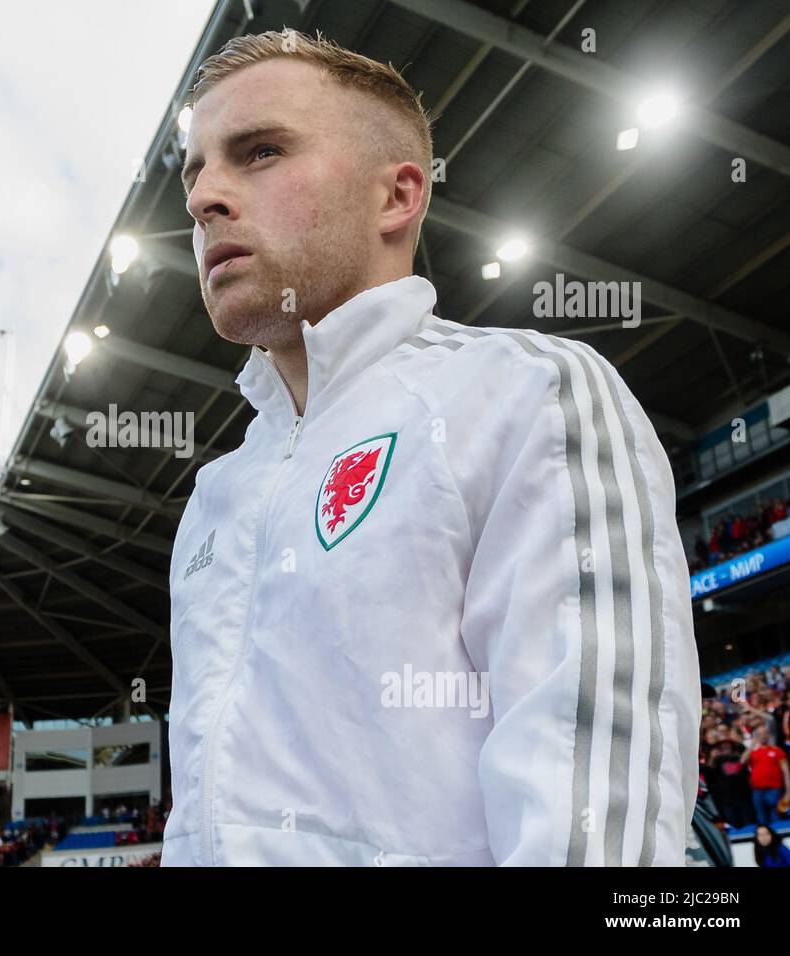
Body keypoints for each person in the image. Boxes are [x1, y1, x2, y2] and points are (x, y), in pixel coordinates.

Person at [164, 29, 700, 867]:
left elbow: (596, 824)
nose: (203, 200)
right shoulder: (214, 498)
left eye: (259, 152)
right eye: (194, 173)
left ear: (397, 197)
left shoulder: (523, 393)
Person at [742, 725, 790, 828]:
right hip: (757, 791)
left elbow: (786, 772)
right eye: (760, 734)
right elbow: (742, 762)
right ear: (756, 736)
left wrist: (788, 792)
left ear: (769, 735)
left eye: (765, 733)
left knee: (775, 817)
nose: (763, 735)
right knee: (761, 819)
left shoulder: (778, 751)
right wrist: (752, 744)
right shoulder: (753, 752)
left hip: (774, 790)